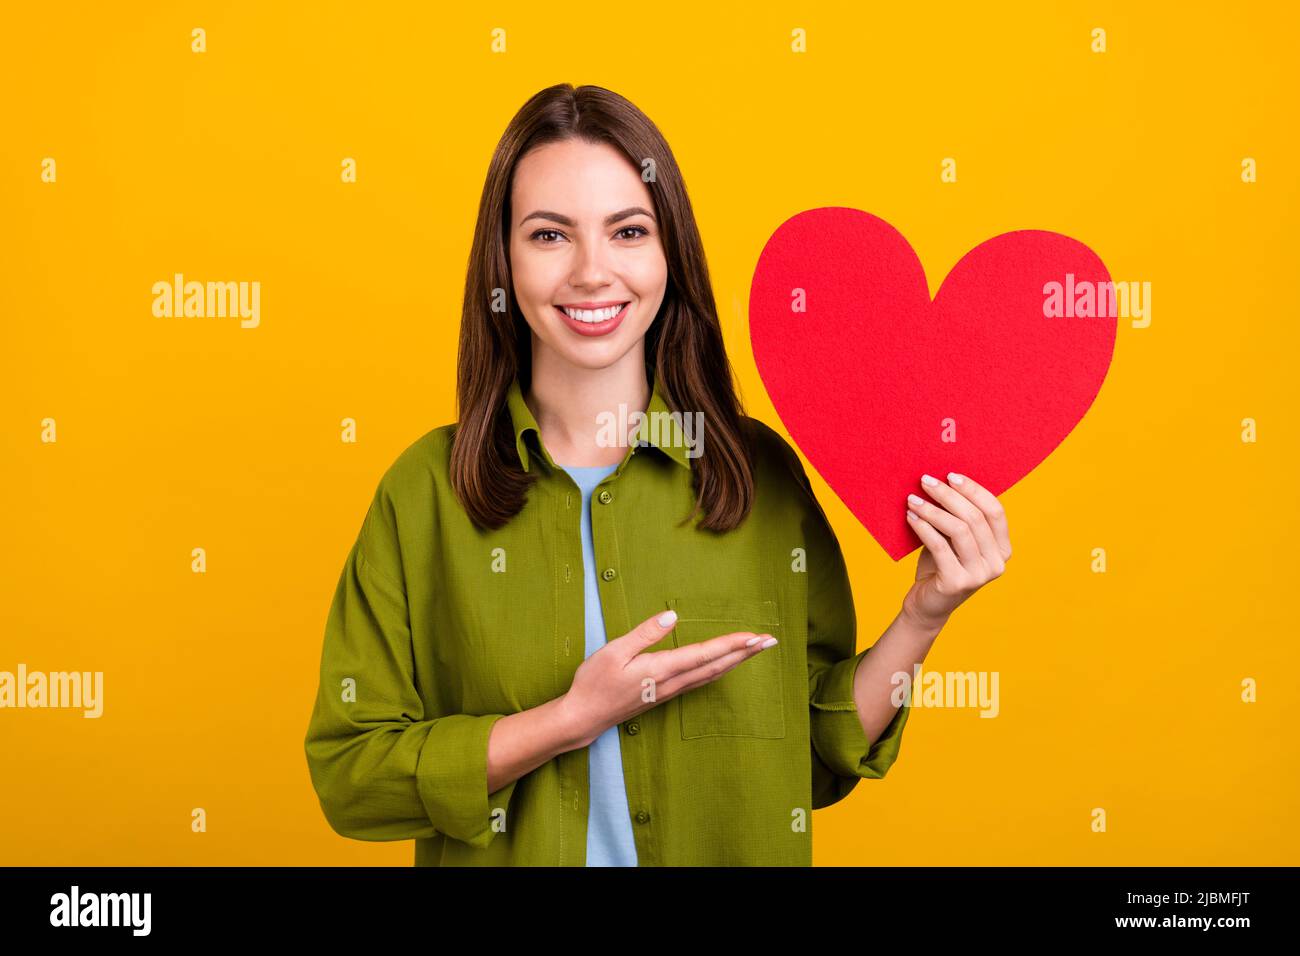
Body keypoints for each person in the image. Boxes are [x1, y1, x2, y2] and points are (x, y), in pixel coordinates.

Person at [303, 83, 1013, 866]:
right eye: (549, 236)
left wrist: (925, 613)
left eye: (628, 231)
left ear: (669, 252)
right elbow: (350, 774)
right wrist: (568, 720)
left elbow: (812, 755)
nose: (591, 272)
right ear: (501, 258)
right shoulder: (424, 493)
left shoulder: (758, 476)